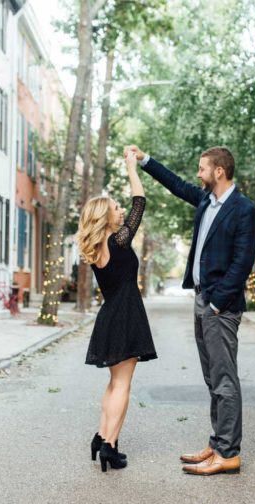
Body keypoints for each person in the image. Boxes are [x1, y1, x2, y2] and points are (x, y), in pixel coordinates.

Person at [124, 144, 255, 476]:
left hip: (220, 307)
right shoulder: (205, 200)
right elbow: (176, 184)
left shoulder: (244, 210)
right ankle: (216, 444)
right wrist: (145, 160)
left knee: (225, 379)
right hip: (202, 301)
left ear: (219, 171)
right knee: (212, 378)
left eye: (202, 169)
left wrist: (215, 304)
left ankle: (228, 453)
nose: (197, 175)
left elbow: (242, 264)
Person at [77, 151, 157, 473]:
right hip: (126, 317)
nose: (121, 209)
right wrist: (130, 167)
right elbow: (140, 201)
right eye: (115, 207)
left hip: (110, 316)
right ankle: (109, 445)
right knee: (123, 385)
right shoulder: (119, 241)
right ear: (105, 217)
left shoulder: (97, 248)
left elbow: (132, 206)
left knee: (114, 384)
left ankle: (101, 435)